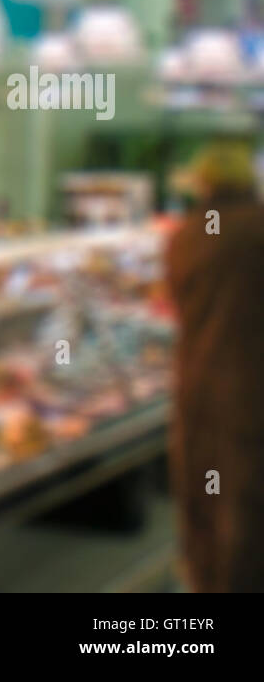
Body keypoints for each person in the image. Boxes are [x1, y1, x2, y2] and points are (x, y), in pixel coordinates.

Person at [164, 142, 264, 592]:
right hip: (252, 383)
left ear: (203, 180)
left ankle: (206, 579)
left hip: (198, 381)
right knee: (246, 492)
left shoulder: (187, 233)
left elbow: (176, 302)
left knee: (205, 488)